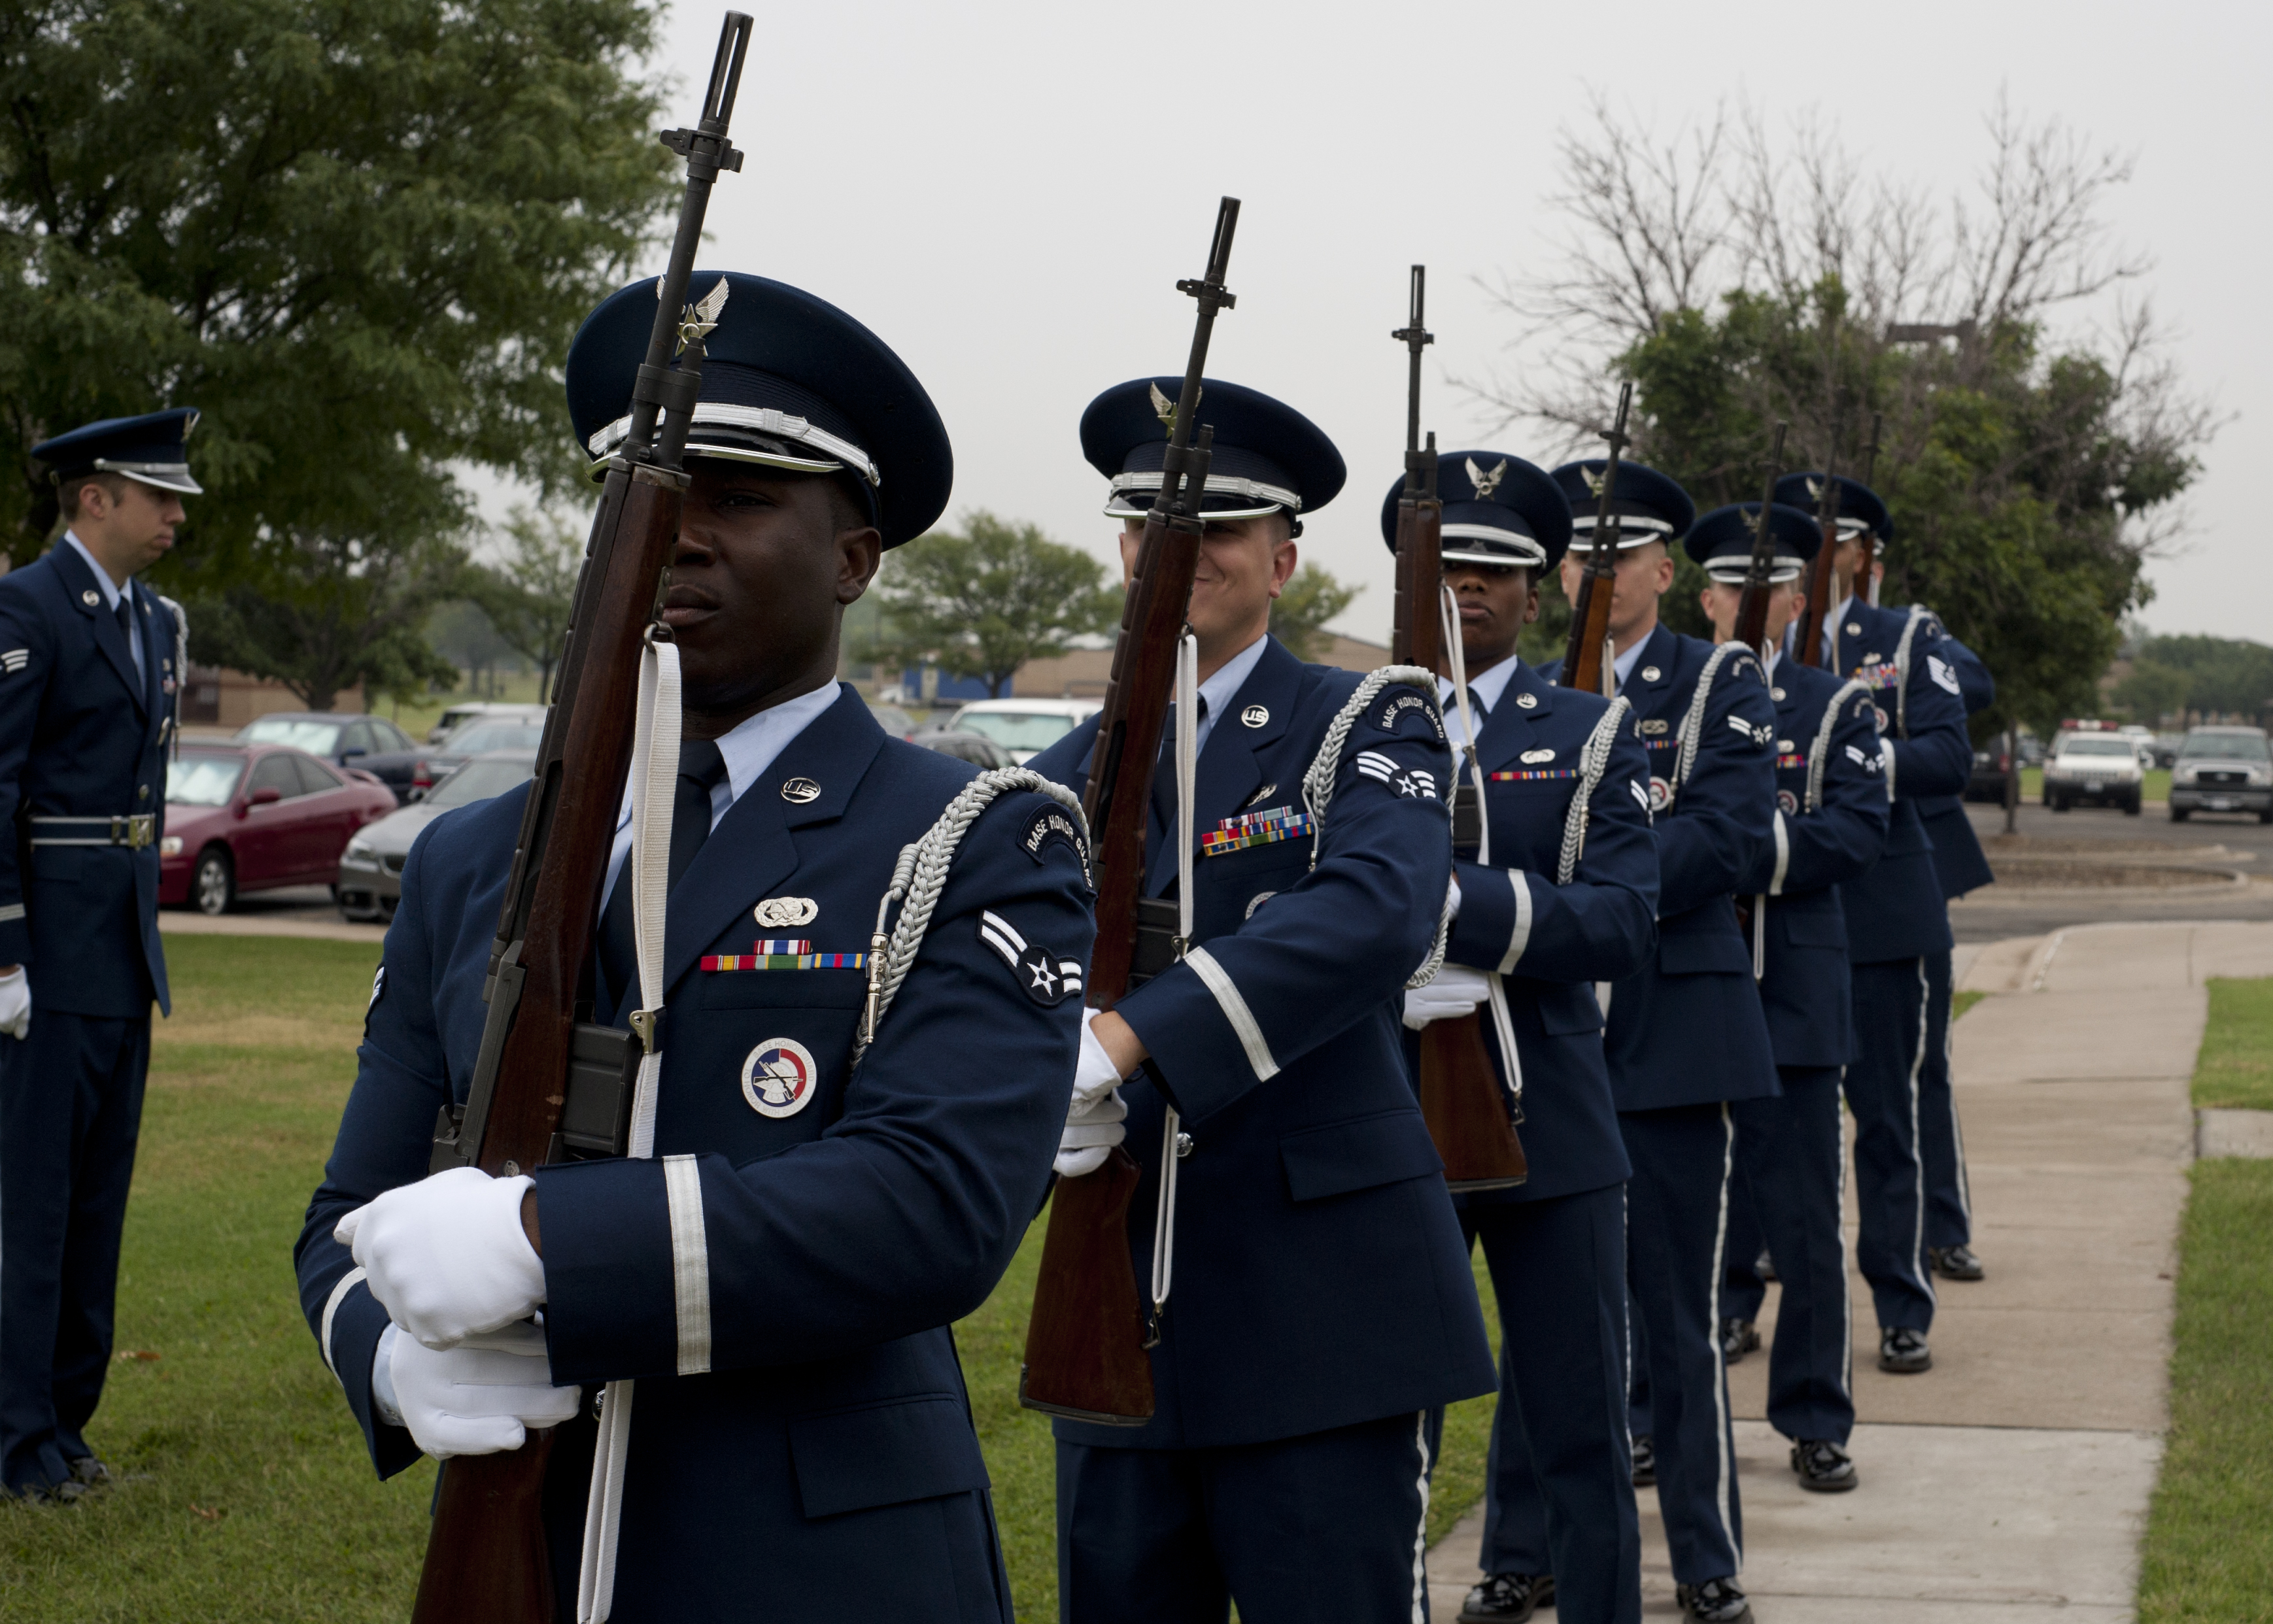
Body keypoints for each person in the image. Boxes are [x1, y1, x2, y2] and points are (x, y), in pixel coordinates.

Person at [294, 273, 1096, 1619]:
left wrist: (546, 1238)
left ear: (854, 558)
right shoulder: (471, 853)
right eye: (645, 504)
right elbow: (347, 1218)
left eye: (735, 501)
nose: (677, 541)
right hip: (525, 1532)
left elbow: (935, 1206)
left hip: (817, 1556)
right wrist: (386, 1357)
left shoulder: (970, 837)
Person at [1027, 377, 1492, 1624]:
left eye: (1218, 530)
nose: (1175, 554)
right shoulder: (1060, 777)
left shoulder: (1363, 718)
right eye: (1148, 525)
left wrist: (1125, 1040)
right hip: (1116, 1304)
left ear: (1281, 558)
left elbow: (1373, 910)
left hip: (1324, 1310)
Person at [1386, 452, 1659, 1624]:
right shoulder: (1357, 729)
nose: (1468, 588)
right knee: (1386, 1434)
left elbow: (1620, 916)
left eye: (1496, 568)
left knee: (1581, 1429)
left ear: (1538, 592)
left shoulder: (1591, 729)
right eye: (1445, 566)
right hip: (1389, 1124)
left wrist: (1459, 905)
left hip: (1549, 1123)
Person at [1537, 458, 1777, 1624]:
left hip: (1673, 1033)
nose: (1593, 571)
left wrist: (1593, 861)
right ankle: (1523, 1546)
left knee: (1676, 1313)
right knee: (1549, 1321)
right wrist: (1630, 839)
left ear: (1660, 569)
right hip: (1541, 1043)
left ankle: (1702, 1546)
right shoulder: (1531, 695)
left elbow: (1731, 835)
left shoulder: (1717, 677)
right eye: (1576, 554)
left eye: (1616, 553)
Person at [0, 409, 193, 1502]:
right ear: (93, 498)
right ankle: (16, 1441)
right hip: (44, 965)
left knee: (93, 1204)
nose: (176, 514)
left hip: (120, 952)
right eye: (157, 494)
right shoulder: (26, 608)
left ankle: (65, 1426)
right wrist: (3, 956)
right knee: (30, 1207)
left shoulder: (153, 622)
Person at [1688, 503, 1888, 1493]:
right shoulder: (1664, 699)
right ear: (1707, 596)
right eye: (1733, 587)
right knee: (1663, 1217)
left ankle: (1814, 1415)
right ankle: (1651, 1415)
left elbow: (1855, 833)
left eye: (1771, 590)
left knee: (1805, 1220)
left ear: (1799, 602)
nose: (1749, 603)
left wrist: (1731, 851)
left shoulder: (1836, 704)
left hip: (1793, 991)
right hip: (1677, 993)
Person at [1772, 471, 1972, 1376]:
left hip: (1883, 909)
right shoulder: (1747, 652)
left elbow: (1946, 753)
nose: (1814, 559)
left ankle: (1900, 1301)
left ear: (1856, 553)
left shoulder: (1902, 639)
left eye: (1828, 540)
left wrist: (1850, 754)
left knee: (1887, 1120)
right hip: (1777, 916)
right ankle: (1739, 1295)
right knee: (1762, 1125)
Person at [1914, 633, 1996, 1283]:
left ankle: (1943, 1227)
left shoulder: (1909, 634)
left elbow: (1974, 684)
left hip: (1906, 874)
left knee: (1923, 1069)